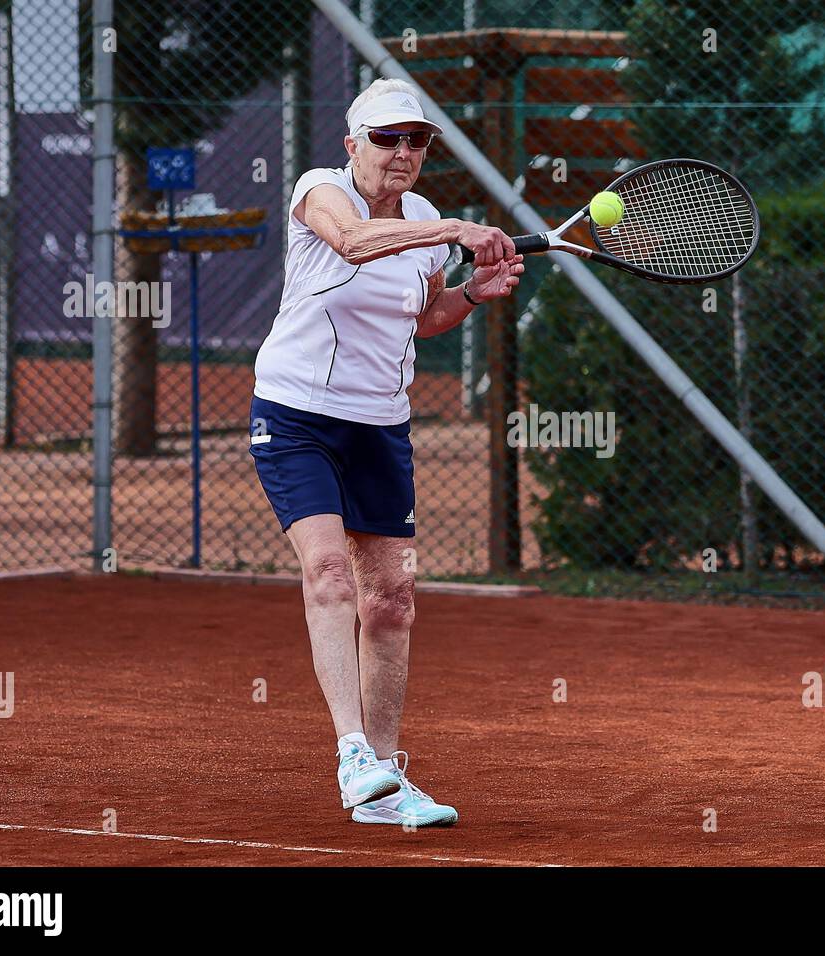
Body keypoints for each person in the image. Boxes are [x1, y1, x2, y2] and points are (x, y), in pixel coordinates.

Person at [248, 77, 525, 827]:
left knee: (393, 601)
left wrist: (471, 294)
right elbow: (353, 242)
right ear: (352, 146)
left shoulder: (428, 219)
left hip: (380, 427)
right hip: (298, 415)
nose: (402, 152)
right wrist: (455, 232)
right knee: (330, 572)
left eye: (416, 139)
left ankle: (385, 778)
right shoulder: (320, 191)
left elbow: (422, 316)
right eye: (386, 138)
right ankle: (350, 754)